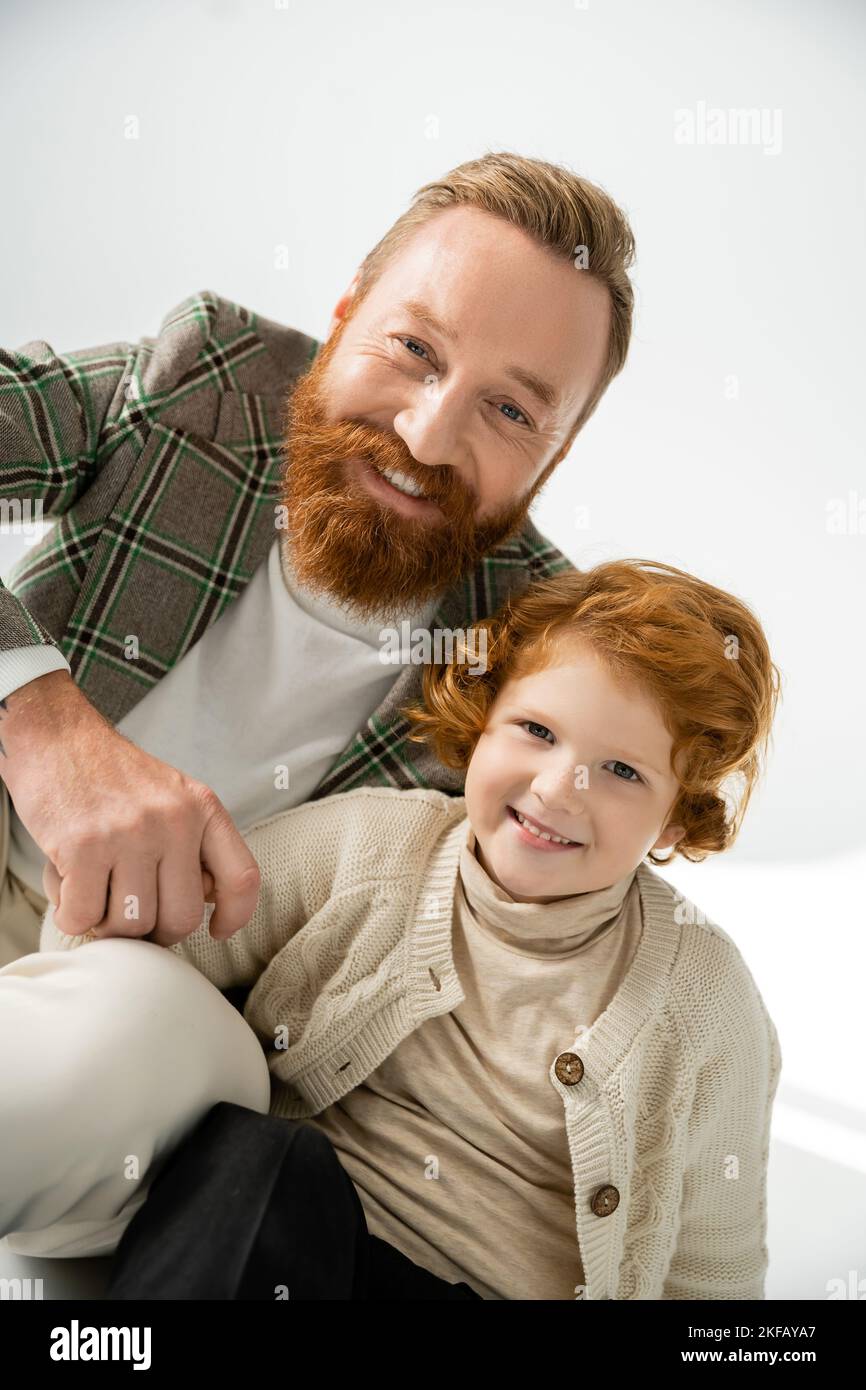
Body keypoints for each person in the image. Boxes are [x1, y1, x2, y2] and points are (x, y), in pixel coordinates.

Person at [1, 558, 784, 1300]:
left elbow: (712, 1267)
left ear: (675, 822)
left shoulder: (704, 999)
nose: (557, 789)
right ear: (481, 722)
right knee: (258, 1160)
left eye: (622, 772)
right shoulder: (372, 847)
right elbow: (142, 957)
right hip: (297, 1258)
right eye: (537, 731)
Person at [0, 151, 632, 968]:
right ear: (345, 314)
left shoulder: (538, 644)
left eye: (510, 409)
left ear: (559, 453)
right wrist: (44, 724)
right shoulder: (199, 380)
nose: (427, 436)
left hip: (174, 1004)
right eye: (414, 348)